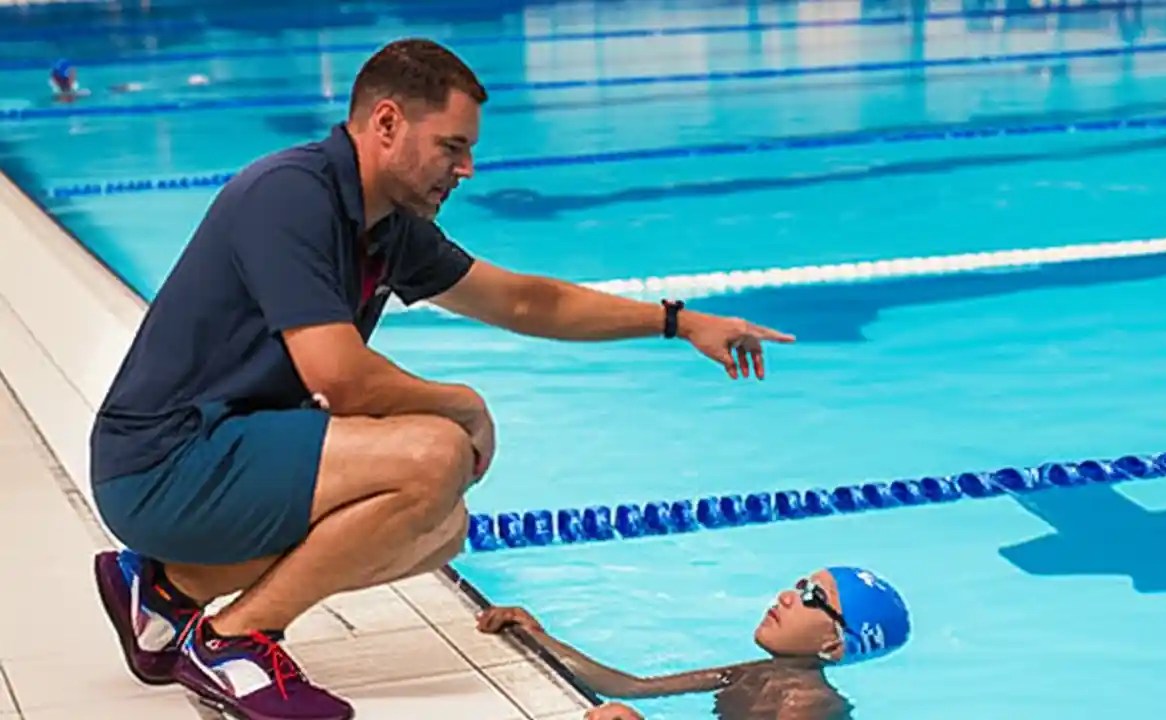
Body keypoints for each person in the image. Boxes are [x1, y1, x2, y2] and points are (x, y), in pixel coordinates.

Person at [88, 37, 794, 720]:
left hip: (222, 454)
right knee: (435, 454)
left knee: (439, 528)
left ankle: (166, 591)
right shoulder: (291, 196)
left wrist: (677, 321)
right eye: (452, 147)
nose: (465, 170)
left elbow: (523, 299)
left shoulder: (385, 222)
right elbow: (340, 378)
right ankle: (234, 641)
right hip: (163, 461)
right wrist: (464, 405)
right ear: (388, 122)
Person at [478, 566, 910, 720]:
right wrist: (539, 636)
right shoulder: (750, 673)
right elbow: (632, 687)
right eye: (800, 584)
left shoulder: (809, 704)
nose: (786, 596)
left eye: (811, 598)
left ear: (834, 646)